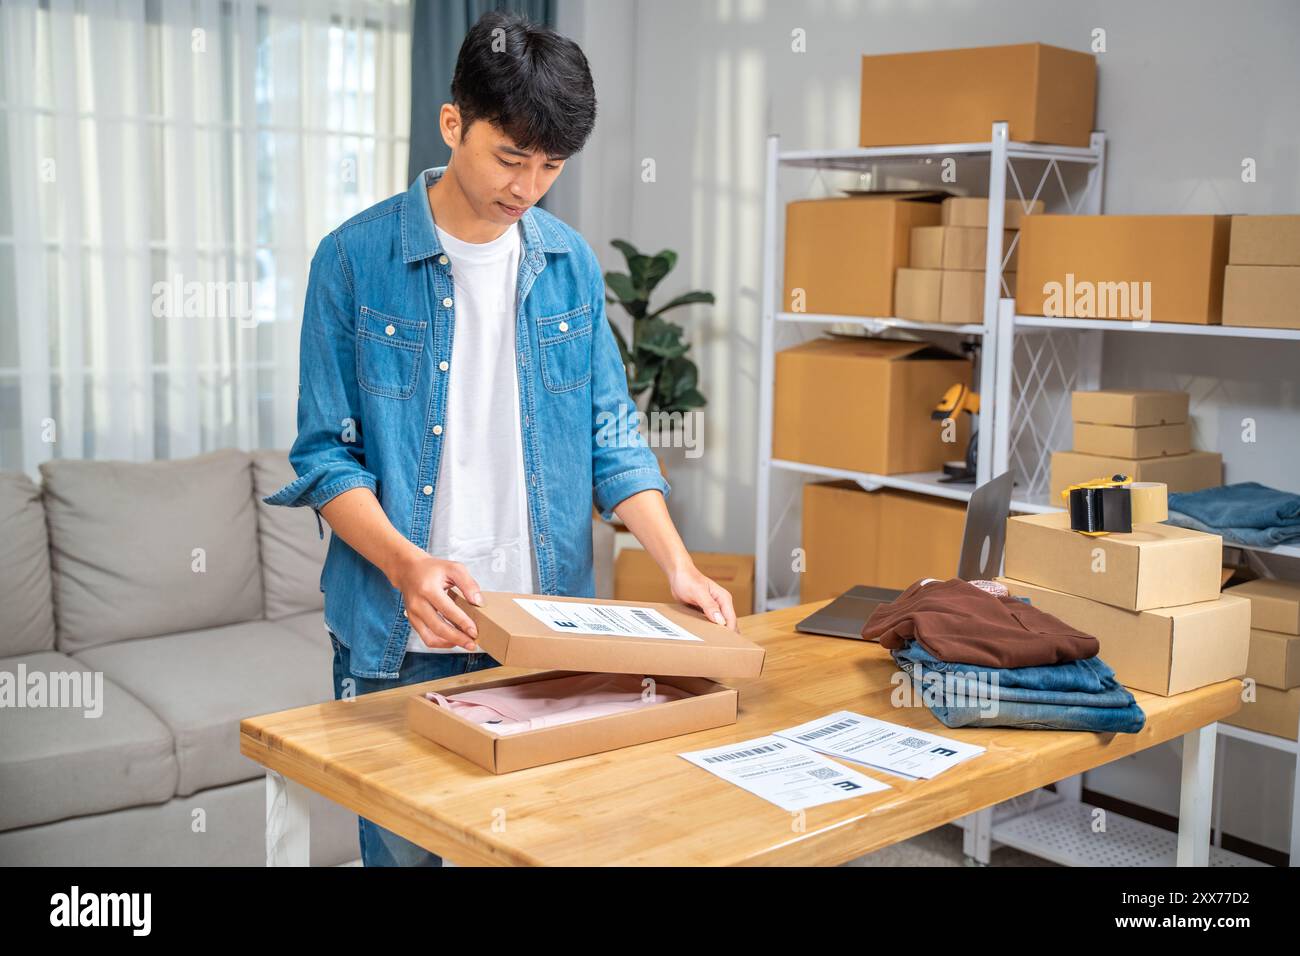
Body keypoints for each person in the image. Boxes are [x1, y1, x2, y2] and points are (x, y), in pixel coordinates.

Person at [264, 10, 737, 866]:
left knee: (538, 851)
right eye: (510, 157)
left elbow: (611, 435)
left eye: (551, 165)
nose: (528, 186)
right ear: (453, 124)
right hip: (397, 635)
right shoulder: (352, 260)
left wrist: (678, 565)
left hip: (541, 627)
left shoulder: (570, 265)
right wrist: (407, 565)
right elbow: (325, 456)